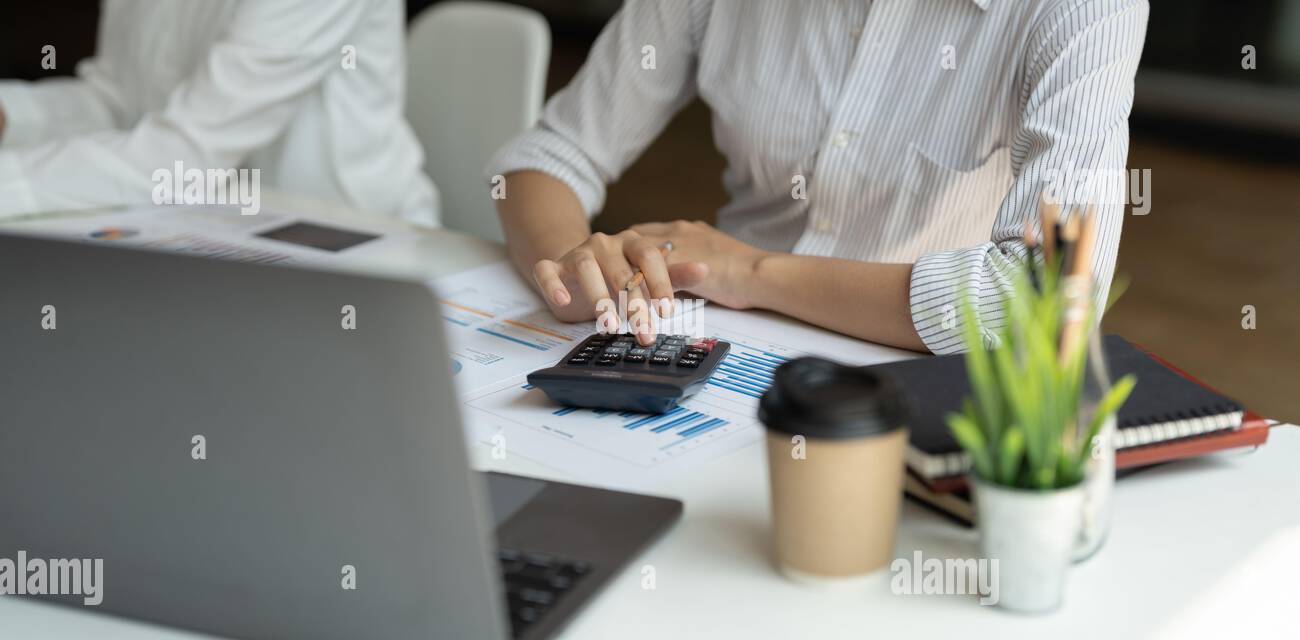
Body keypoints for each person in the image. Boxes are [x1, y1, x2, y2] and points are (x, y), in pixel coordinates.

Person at [490, 0, 1149, 351]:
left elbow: (1044, 299)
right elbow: (550, 157)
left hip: (913, 375)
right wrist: (577, 273)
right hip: (714, 347)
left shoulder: (1087, 9)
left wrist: (748, 273)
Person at [0, 0, 436, 225]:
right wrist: (10, 114)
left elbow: (188, 157)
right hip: (178, 228)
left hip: (352, 248)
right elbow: (118, 105)